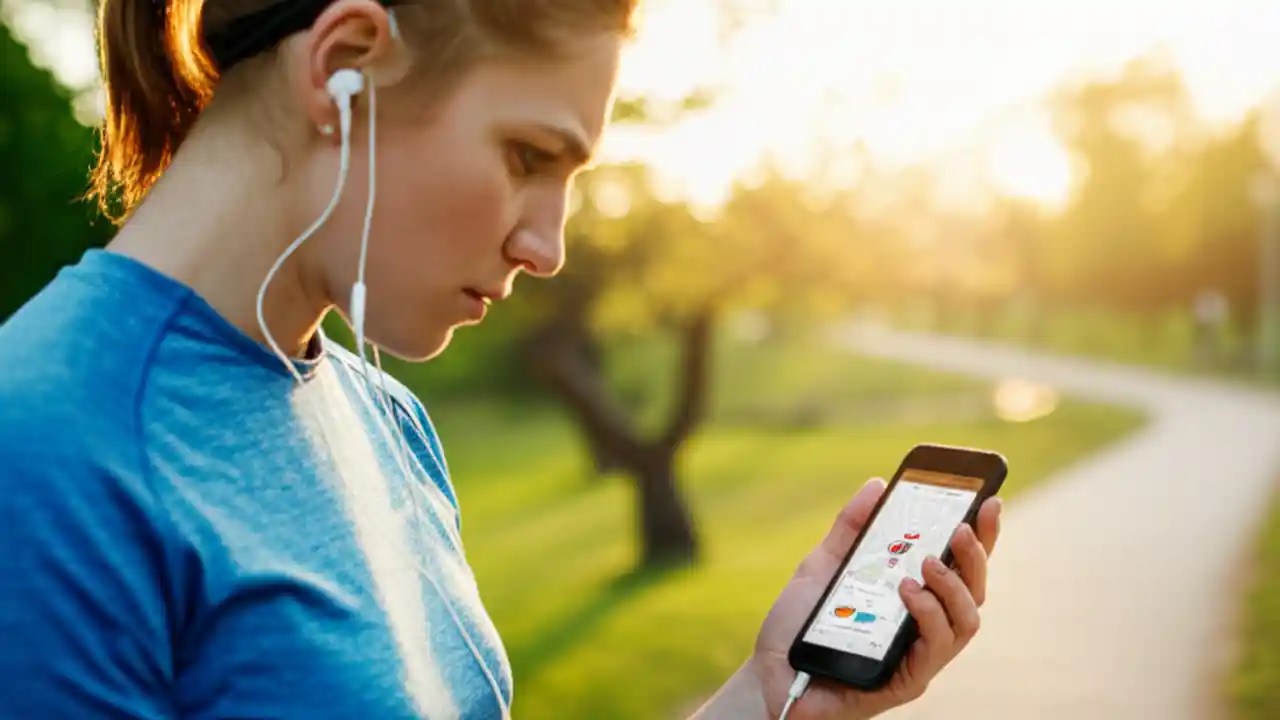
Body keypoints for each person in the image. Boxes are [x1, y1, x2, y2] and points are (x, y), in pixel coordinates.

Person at [0, 0, 1002, 717]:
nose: (546, 247)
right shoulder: (45, 452)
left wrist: (779, 692)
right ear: (344, 63)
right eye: (528, 156)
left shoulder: (381, 417)